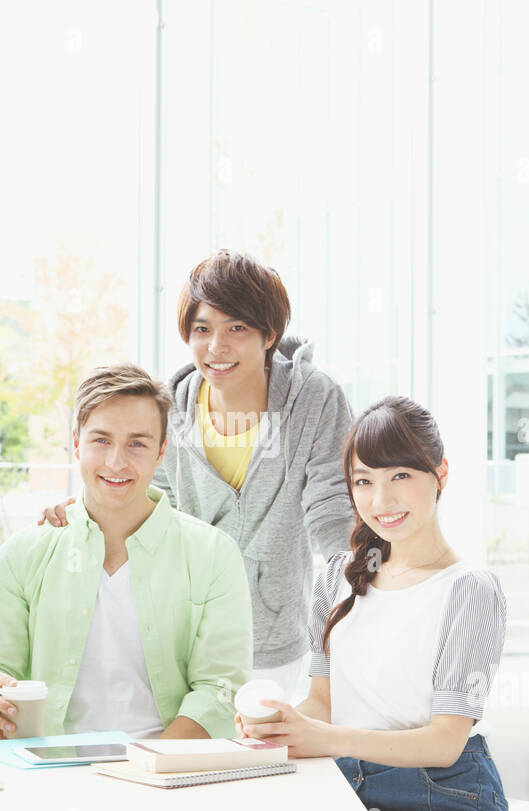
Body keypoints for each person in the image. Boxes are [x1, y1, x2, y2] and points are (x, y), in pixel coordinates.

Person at [40, 250, 354, 702]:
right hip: (181, 637)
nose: (216, 348)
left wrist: (360, 586)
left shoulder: (313, 399)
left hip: (273, 641)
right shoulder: (172, 409)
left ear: (269, 334)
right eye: (202, 330)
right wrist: (81, 513)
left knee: (263, 763)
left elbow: (332, 508)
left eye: (237, 329)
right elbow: (145, 505)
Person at [238, 396, 510, 811]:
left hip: (445, 806)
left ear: (440, 473)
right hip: (347, 792)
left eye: (400, 476)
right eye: (364, 481)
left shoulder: (469, 589)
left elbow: (445, 742)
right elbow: (322, 702)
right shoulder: (337, 578)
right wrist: (281, 726)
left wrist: (325, 738)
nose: (381, 501)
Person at [0, 364, 252, 742]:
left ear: (161, 452)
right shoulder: (22, 554)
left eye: (137, 443)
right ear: (76, 442)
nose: (116, 462)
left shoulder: (212, 554)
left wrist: (147, 766)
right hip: (50, 770)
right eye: (101, 440)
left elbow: (220, 688)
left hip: (169, 770)